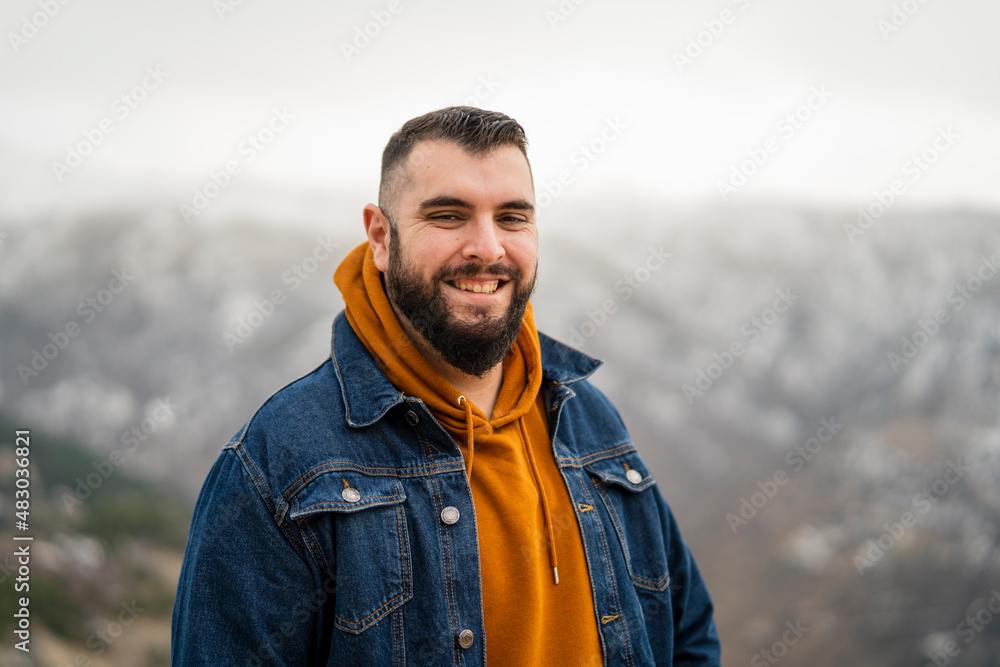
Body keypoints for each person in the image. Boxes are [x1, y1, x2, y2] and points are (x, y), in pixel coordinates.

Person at [171, 106, 720, 665]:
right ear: (381, 238)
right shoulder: (279, 462)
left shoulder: (589, 419)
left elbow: (688, 633)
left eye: (512, 218)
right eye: (449, 216)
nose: (487, 247)